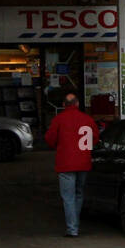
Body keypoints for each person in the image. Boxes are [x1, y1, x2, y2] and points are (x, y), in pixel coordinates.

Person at [44, 93, 97, 237]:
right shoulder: (88, 120)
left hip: (66, 163)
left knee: (68, 197)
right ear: (77, 104)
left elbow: (49, 139)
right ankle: (75, 223)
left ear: (63, 104)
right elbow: (95, 139)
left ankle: (72, 228)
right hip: (84, 162)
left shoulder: (59, 120)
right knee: (79, 193)